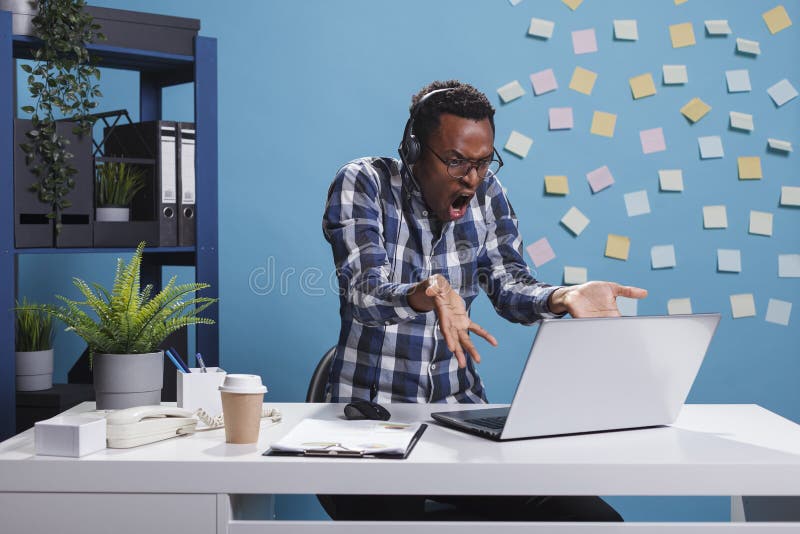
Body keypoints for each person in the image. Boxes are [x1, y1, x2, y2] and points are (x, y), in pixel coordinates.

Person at [321, 80, 647, 522]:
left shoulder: (489, 193)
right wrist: (427, 292)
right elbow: (364, 294)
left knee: (592, 520)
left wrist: (561, 295)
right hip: (371, 421)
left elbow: (508, 285)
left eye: (482, 162)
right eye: (457, 161)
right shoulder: (365, 183)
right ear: (414, 149)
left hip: (458, 420)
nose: (472, 179)